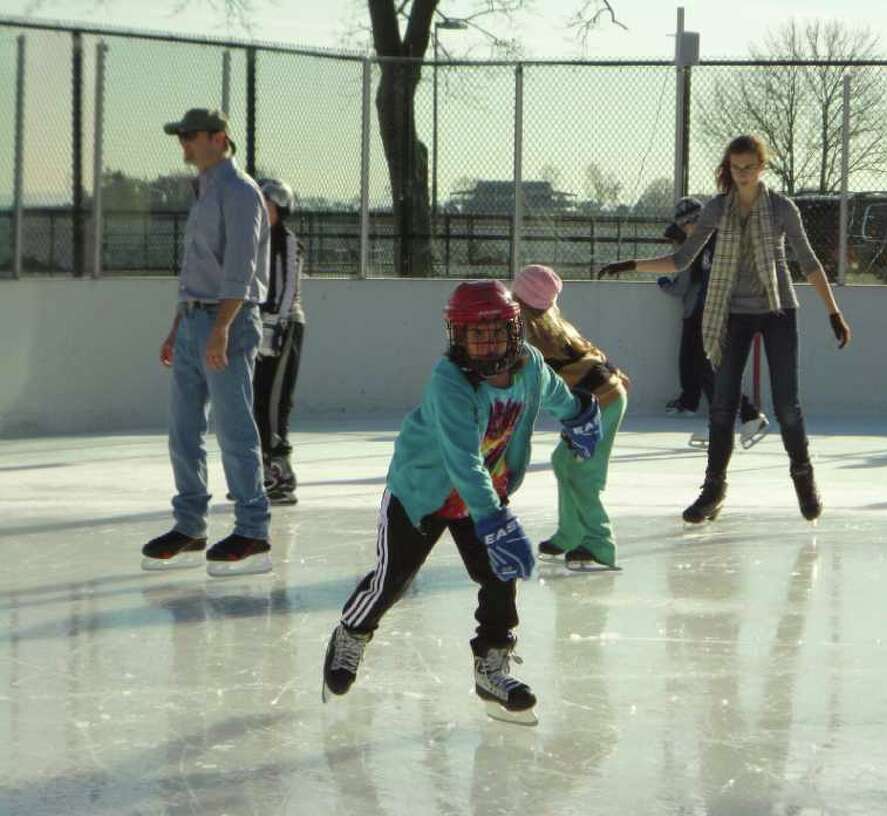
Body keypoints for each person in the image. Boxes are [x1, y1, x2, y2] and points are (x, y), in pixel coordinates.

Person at [320, 280, 602, 725]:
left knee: (498, 577)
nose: (487, 344)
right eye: (476, 335)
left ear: (513, 331)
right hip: (423, 492)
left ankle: (491, 665)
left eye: (495, 333)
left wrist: (580, 415)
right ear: (458, 336)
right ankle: (352, 632)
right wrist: (495, 520)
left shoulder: (530, 367)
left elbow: (557, 396)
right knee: (392, 580)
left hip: (482, 494)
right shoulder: (448, 382)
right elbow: (463, 462)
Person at [598, 134, 851, 524]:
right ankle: (713, 490)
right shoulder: (717, 209)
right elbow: (682, 259)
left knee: (786, 405)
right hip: (732, 311)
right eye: (736, 168)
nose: (743, 174)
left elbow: (809, 261)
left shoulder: (782, 208)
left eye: (750, 167)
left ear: (762, 167)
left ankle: (804, 479)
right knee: (722, 407)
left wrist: (833, 312)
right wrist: (631, 264)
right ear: (728, 168)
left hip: (778, 309)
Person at [141, 108, 272, 576]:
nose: (185, 146)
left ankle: (253, 529)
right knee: (183, 429)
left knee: (234, 429)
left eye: (191, 137)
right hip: (195, 320)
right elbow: (196, 267)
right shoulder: (205, 191)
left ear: (220, 138)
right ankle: (190, 524)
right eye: (182, 138)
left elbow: (241, 268)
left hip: (227, 323)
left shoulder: (240, 193)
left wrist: (219, 327)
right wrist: (180, 325)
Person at [511, 264, 627, 571]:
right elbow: (588, 353)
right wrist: (614, 371)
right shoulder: (545, 321)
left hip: (601, 402)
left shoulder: (529, 330)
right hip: (595, 399)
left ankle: (599, 543)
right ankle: (571, 532)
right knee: (564, 462)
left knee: (582, 474)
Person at [658, 196, 770, 449]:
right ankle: (744, 417)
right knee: (711, 368)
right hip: (712, 311)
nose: (688, 228)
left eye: (692, 221)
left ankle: (730, 423)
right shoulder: (705, 243)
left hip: (726, 311)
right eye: (684, 224)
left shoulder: (721, 239)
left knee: (711, 368)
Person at [254, 178, 305, 505]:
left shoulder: (286, 240)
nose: (262, 211)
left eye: (267, 205)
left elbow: (288, 287)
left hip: (285, 327)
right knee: (258, 398)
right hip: (260, 326)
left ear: (281, 208)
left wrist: (277, 321)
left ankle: (280, 472)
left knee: (275, 400)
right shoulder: (255, 241)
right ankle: (261, 469)